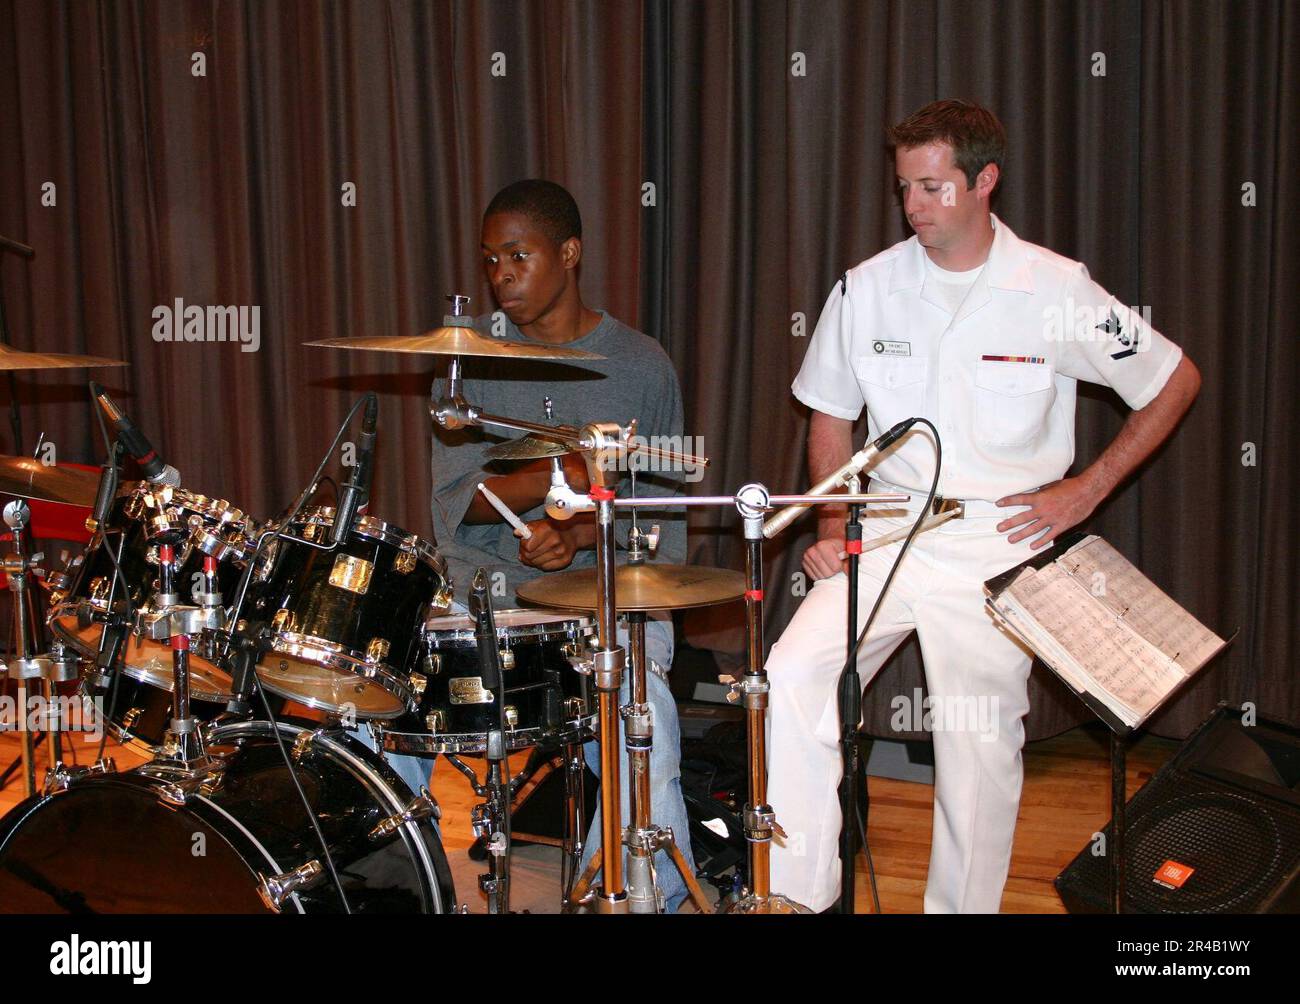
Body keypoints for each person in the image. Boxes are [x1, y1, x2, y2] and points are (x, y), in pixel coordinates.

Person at [766, 99, 1201, 913]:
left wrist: (1085, 490)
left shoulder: (1054, 286)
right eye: (904, 189)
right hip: (889, 526)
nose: (916, 207)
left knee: (975, 746)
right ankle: (801, 896)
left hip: (996, 536)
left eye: (933, 188)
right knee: (793, 675)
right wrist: (834, 520)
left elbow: (1173, 379)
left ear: (985, 179)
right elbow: (830, 411)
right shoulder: (867, 287)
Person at [377, 179, 697, 911]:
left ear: (570, 253)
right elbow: (458, 504)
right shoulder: (470, 360)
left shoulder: (643, 366)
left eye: (518, 256)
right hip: (481, 594)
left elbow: (668, 523)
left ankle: (627, 896)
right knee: (380, 702)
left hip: (606, 605)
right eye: (490, 260)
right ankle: (382, 885)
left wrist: (583, 529)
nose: (501, 276)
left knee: (642, 719)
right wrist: (569, 470)